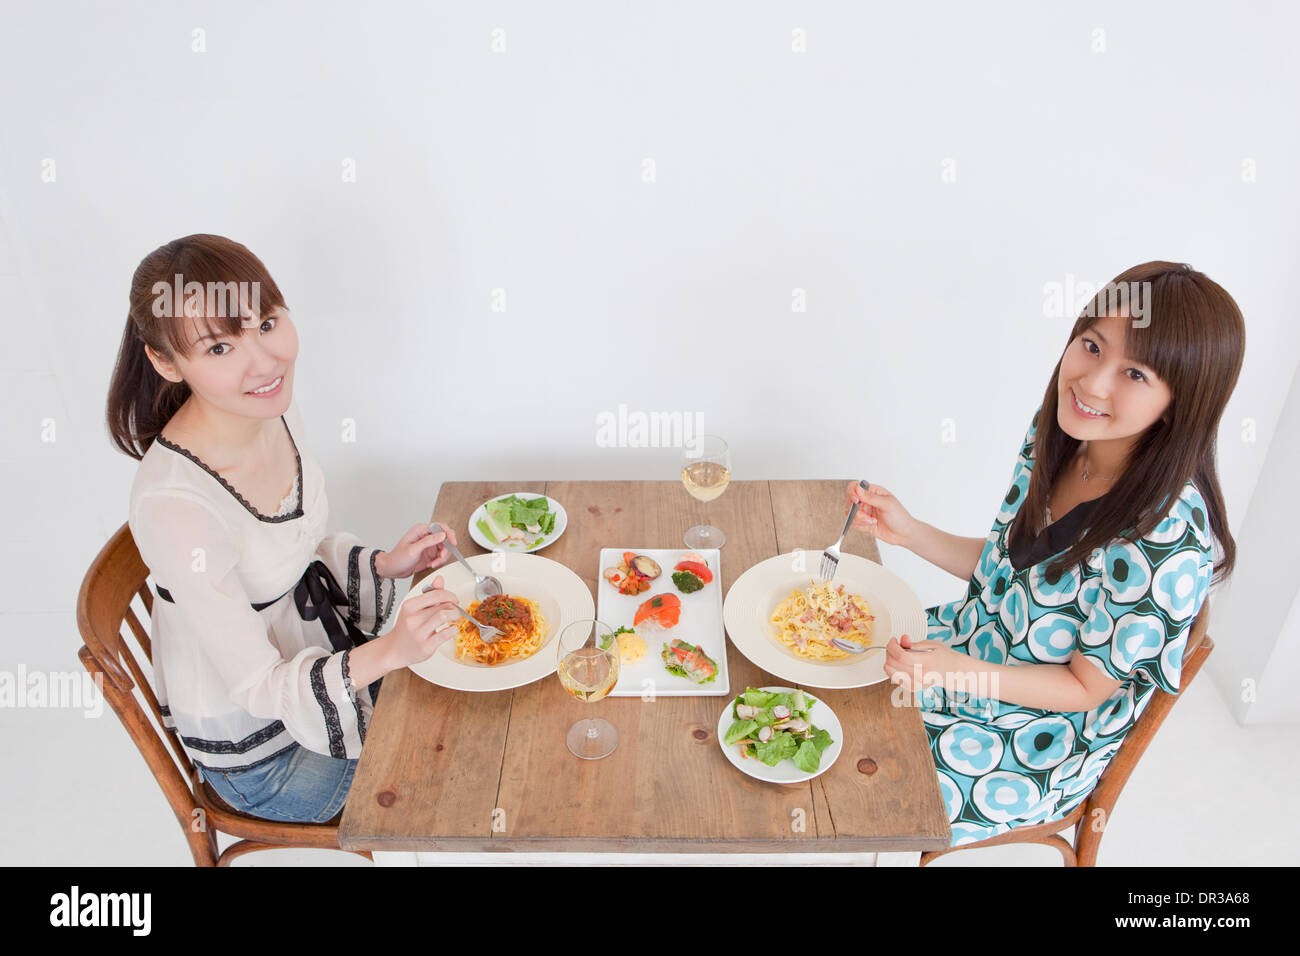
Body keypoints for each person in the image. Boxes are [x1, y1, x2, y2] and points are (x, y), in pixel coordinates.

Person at [845, 261, 1244, 848]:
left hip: (1034, 739)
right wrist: (912, 533)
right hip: (968, 645)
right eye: (1091, 345)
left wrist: (955, 673)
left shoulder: (1167, 539)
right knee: (821, 678)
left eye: (1135, 373)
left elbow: (1085, 689)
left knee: (857, 787)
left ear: (1179, 404)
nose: (1092, 383)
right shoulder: (1058, 434)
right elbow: (1009, 572)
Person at [106, 234, 463, 824]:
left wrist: (385, 565)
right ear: (166, 363)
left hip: (324, 670)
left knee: (482, 697)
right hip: (268, 756)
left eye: (266, 324)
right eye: (220, 347)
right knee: (458, 774)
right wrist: (392, 650)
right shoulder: (175, 506)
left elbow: (291, 553)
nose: (265, 362)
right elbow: (257, 686)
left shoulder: (268, 405)